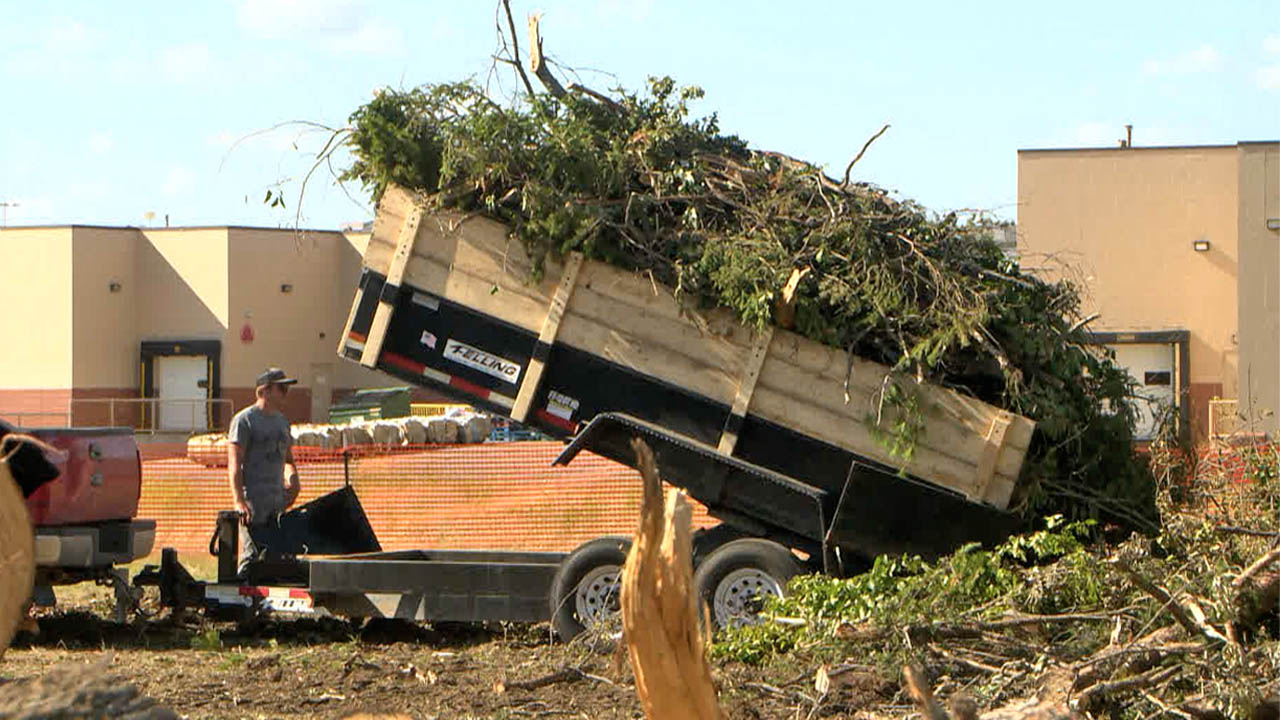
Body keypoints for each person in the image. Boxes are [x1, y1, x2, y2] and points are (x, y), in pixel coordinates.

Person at [227, 367, 301, 576]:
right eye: (281, 388)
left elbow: (288, 460)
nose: (286, 392)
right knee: (252, 558)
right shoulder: (245, 420)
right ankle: (242, 593)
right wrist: (239, 501)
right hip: (253, 506)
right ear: (265, 391)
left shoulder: (282, 422)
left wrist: (294, 481)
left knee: (277, 560)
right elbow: (234, 463)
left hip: (276, 505)